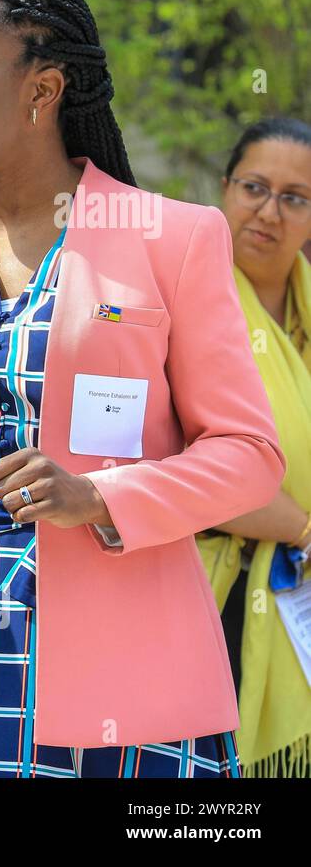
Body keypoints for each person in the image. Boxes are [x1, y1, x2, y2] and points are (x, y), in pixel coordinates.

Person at [0, 0, 285, 778]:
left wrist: (99, 496)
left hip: (132, 686)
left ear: (42, 90)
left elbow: (248, 456)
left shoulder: (174, 239)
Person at [198, 117, 311, 777]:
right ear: (225, 189)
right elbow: (191, 462)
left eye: (295, 197)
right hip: (211, 587)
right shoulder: (184, 297)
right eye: (255, 187)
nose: (270, 211)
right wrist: (300, 526)